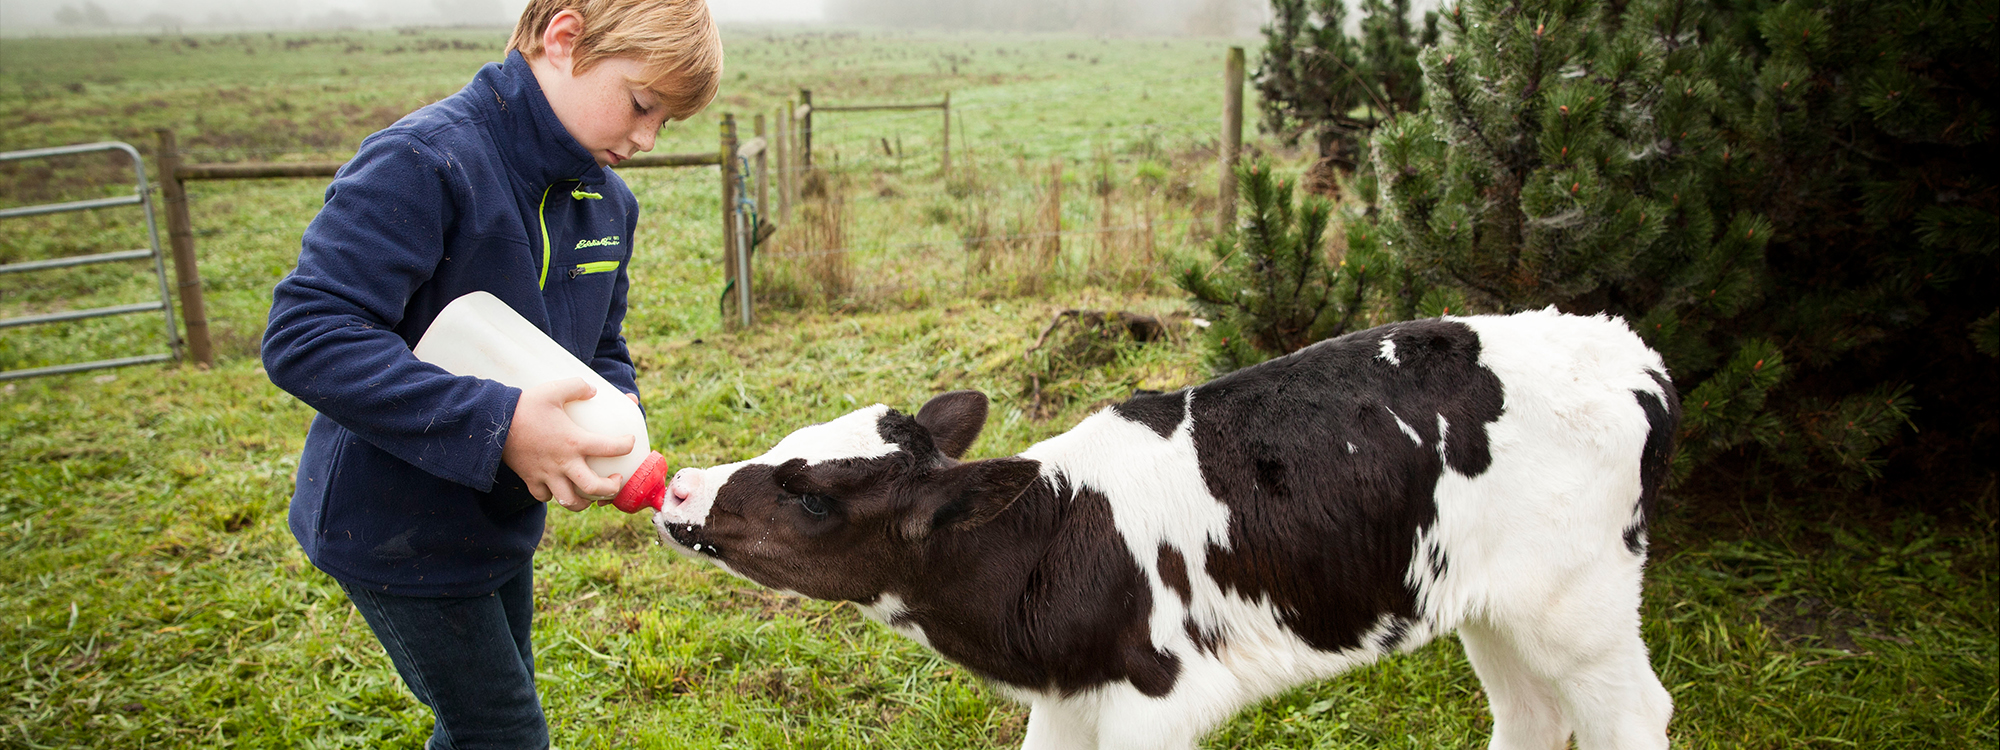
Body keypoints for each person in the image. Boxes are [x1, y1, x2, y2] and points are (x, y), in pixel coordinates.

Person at [260, 1, 721, 746]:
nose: (645, 139)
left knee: (484, 721)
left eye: (665, 122)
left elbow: (601, 341)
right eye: (642, 104)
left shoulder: (607, 203)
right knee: (504, 732)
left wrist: (616, 400)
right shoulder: (425, 162)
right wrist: (501, 425)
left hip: (498, 523)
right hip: (394, 528)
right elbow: (307, 333)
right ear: (563, 39)